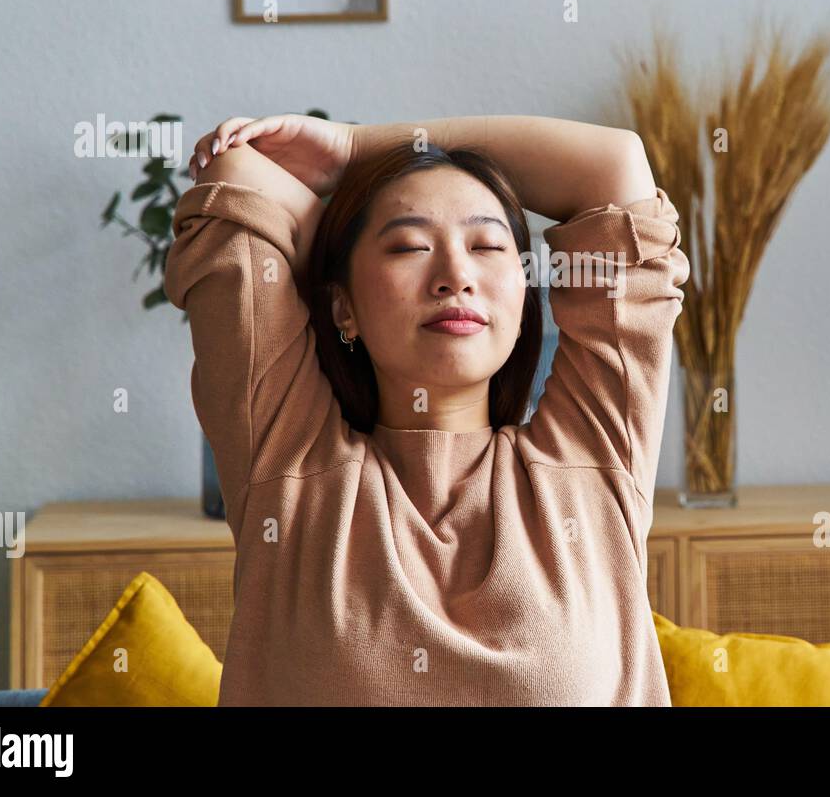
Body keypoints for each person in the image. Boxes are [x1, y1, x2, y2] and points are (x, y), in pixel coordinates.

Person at [164, 113, 689, 705]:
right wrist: (341, 254)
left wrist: (355, 147)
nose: (456, 275)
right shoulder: (288, 464)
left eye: (488, 247)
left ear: (523, 298)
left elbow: (615, 164)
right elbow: (237, 174)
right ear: (342, 308)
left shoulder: (594, 457)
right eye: (409, 247)